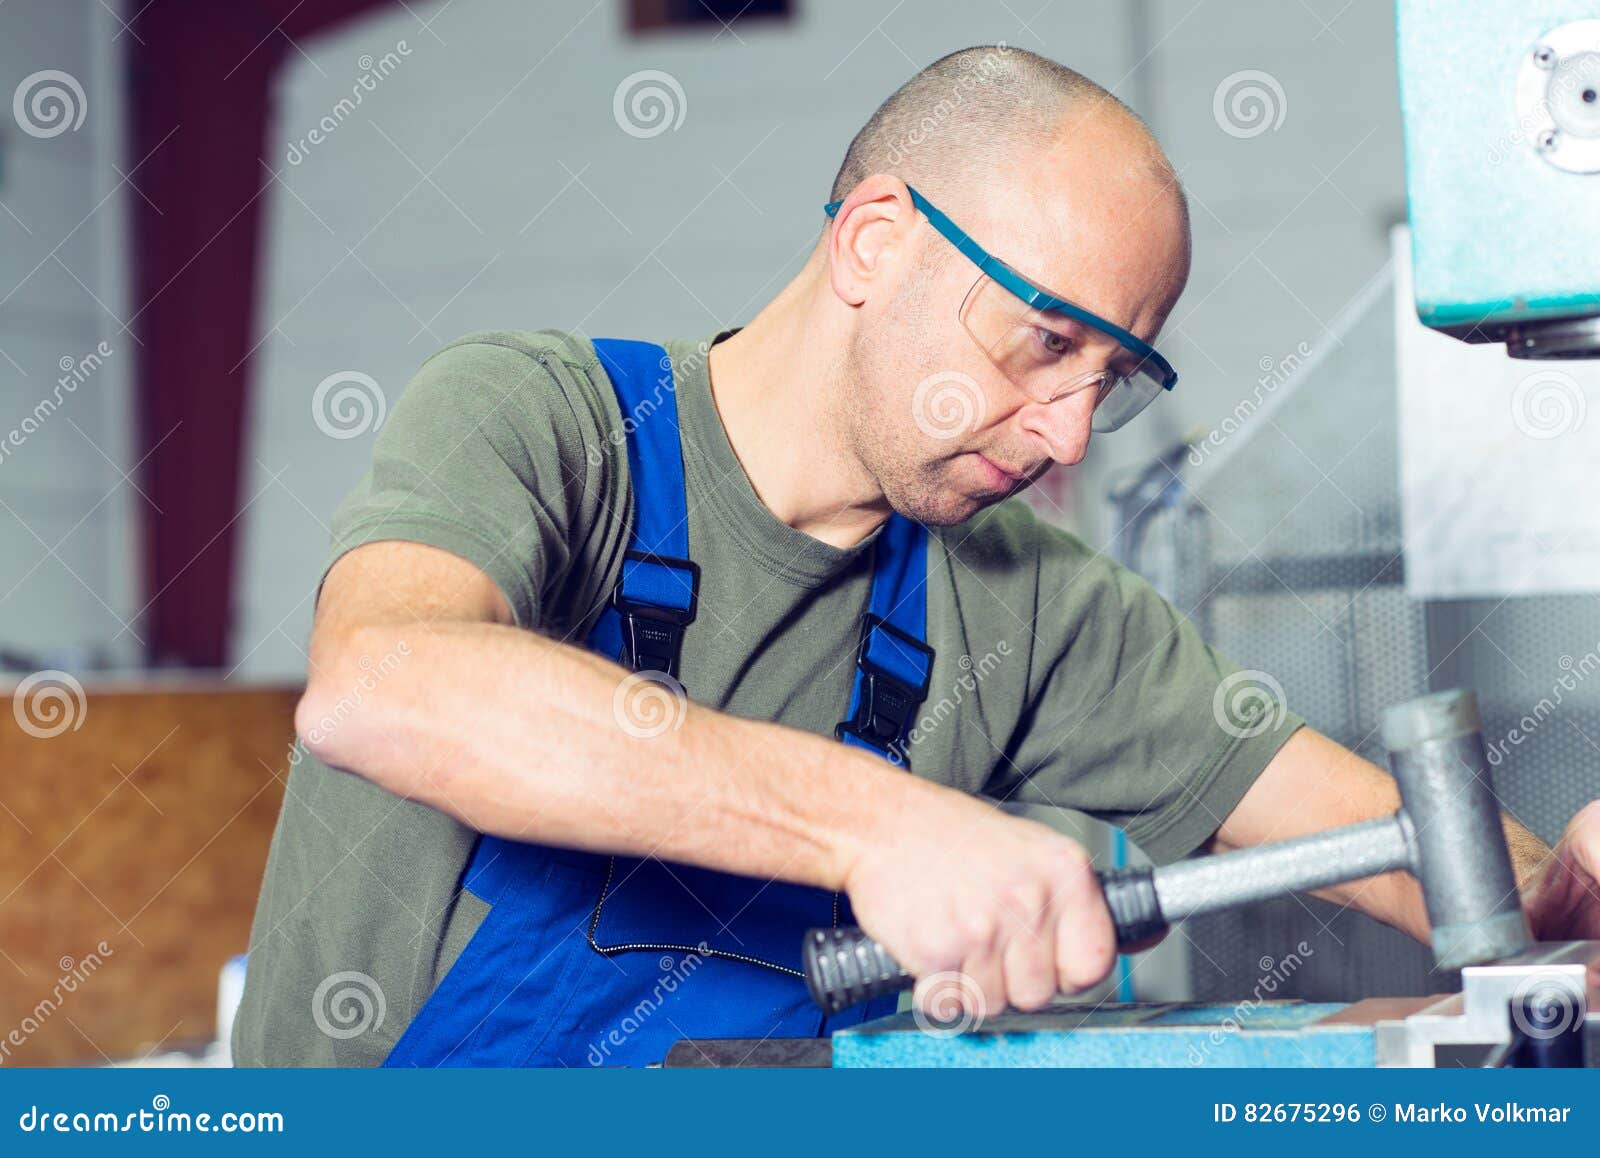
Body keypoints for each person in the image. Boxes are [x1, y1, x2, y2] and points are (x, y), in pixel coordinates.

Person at [234, 46, 1600, 1067]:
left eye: (1110, 378)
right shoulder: (546, 421)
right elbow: (386, 687)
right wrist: (883, 825)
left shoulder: (1032, 605)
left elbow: (1411, 849)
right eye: (1046, 340)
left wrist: (1563, 887)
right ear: (876, 243)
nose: (1069, 428)